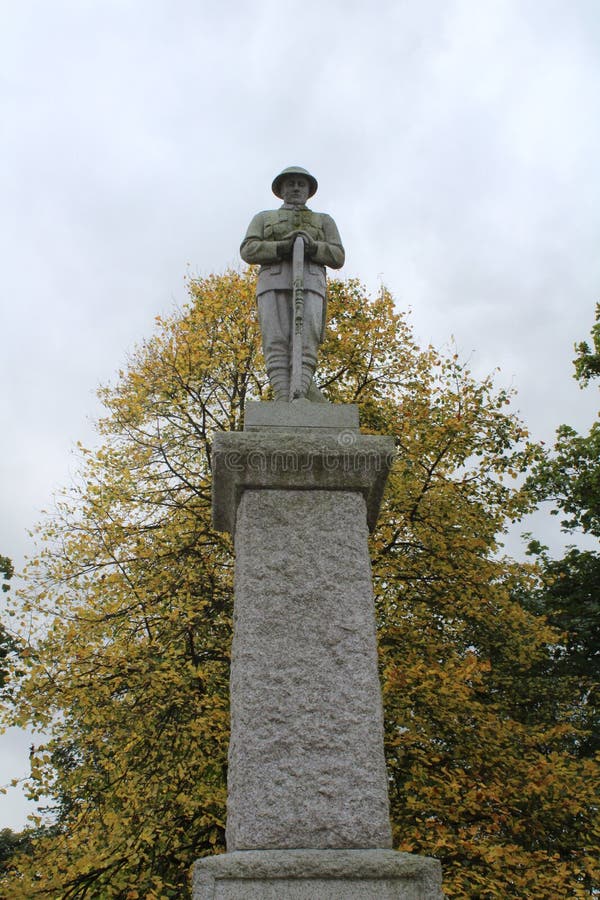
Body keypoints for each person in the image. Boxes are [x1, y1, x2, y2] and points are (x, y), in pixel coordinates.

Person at [240, 166, 345, 401]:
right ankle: (281, 395)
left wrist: (314, 247)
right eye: (291, 184)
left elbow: (338, 256)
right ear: (281, 189)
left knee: (307, 341)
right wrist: (280, 247)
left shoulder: (323, 220)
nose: (296, 188)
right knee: (276, 341)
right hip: (273, 284)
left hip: (310, 285)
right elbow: (248, 250)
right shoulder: (264, 218)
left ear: (309, 190)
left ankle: (300, 393)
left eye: (301, 184)